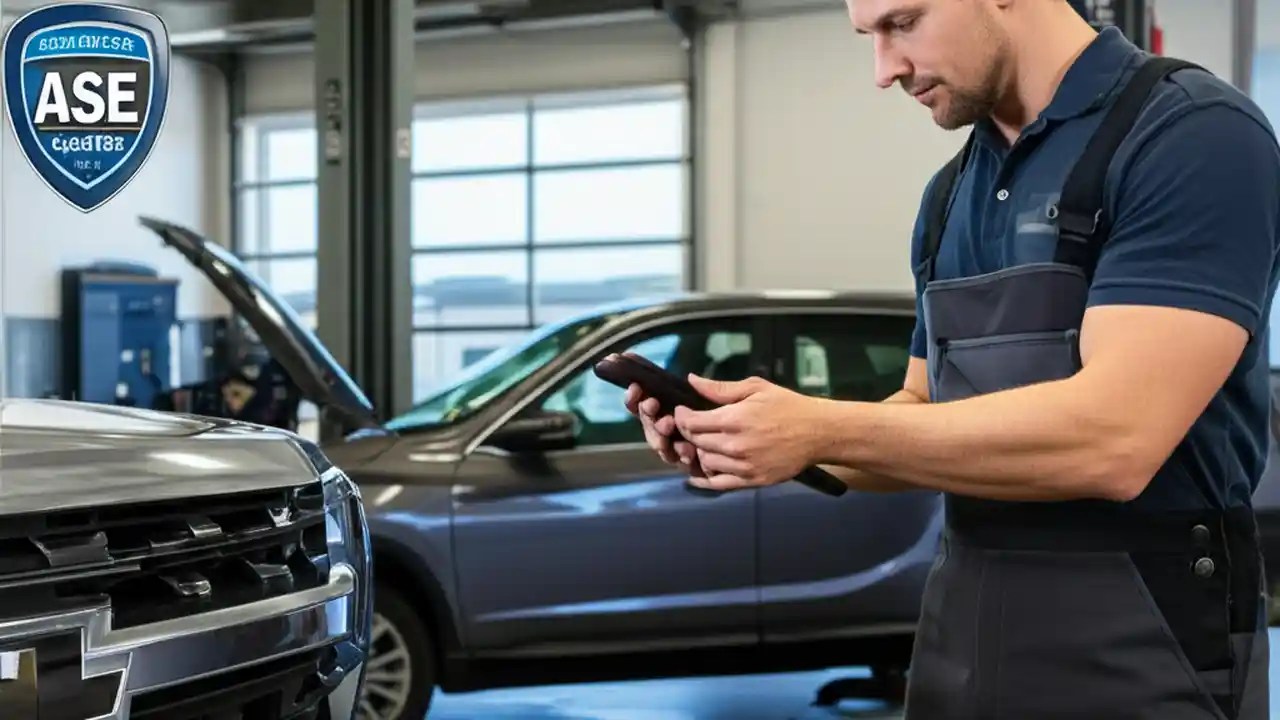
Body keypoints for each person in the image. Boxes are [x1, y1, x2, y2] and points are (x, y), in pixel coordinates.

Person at [623, 0, 1280, 717]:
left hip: (1149, 638)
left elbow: (1115, 440)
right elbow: (922, 413)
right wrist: (750, 439)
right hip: (962, 633)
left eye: (902, 23)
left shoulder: (1193, 136)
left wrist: (821, 429)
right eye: (869, 36)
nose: (884, 70)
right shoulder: (948, 196)